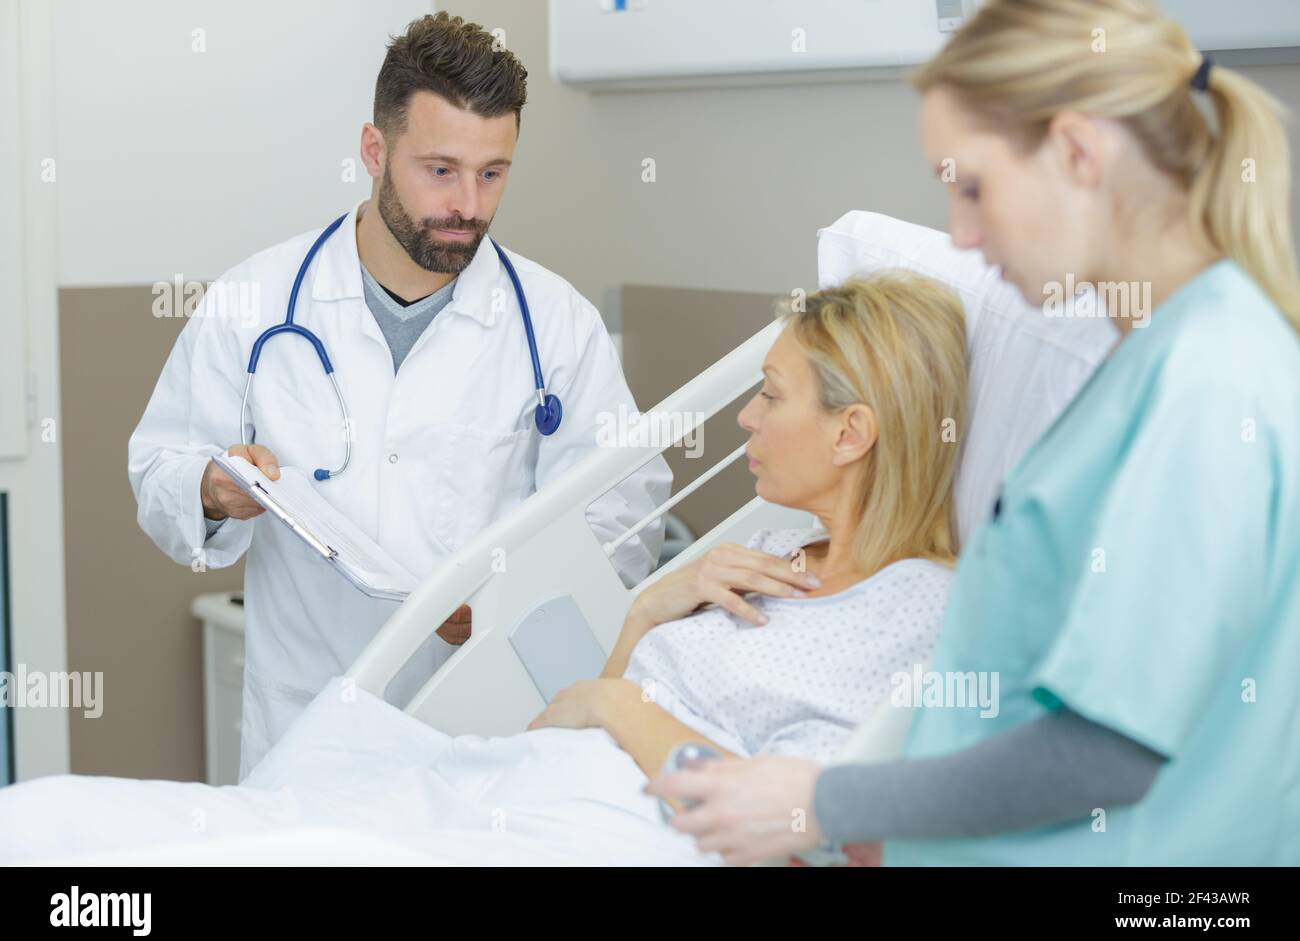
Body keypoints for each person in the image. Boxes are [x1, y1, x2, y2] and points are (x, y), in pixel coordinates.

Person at [4, 273, 968, 866]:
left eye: (769, 395)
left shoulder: (924, 615)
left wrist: (619, 697)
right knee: (55, 820)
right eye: (441, 168)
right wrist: (648, 617)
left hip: (596, 834)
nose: (746, 420)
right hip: (504, 782)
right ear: (377, 150)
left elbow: (823, 829)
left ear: (852, 431)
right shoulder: (752, 564)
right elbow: (571, 718)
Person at [649, 0, 1300, 866]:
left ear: (1077, 152)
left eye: (974, 187)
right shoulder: (1160, 357)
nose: (959, 232)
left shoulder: (1205, 384)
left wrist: (816, 800)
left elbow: (1106, 750)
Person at [128, 12, 671, 780]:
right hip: (307, 724)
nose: (468, 205)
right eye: (439, 169)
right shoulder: (254, 300)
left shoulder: (556, 324)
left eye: (493, 172)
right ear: (374, 151)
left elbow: (624, 510)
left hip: (488, 727)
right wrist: (212, 490)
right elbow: (158, 470)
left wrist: (502, 609)